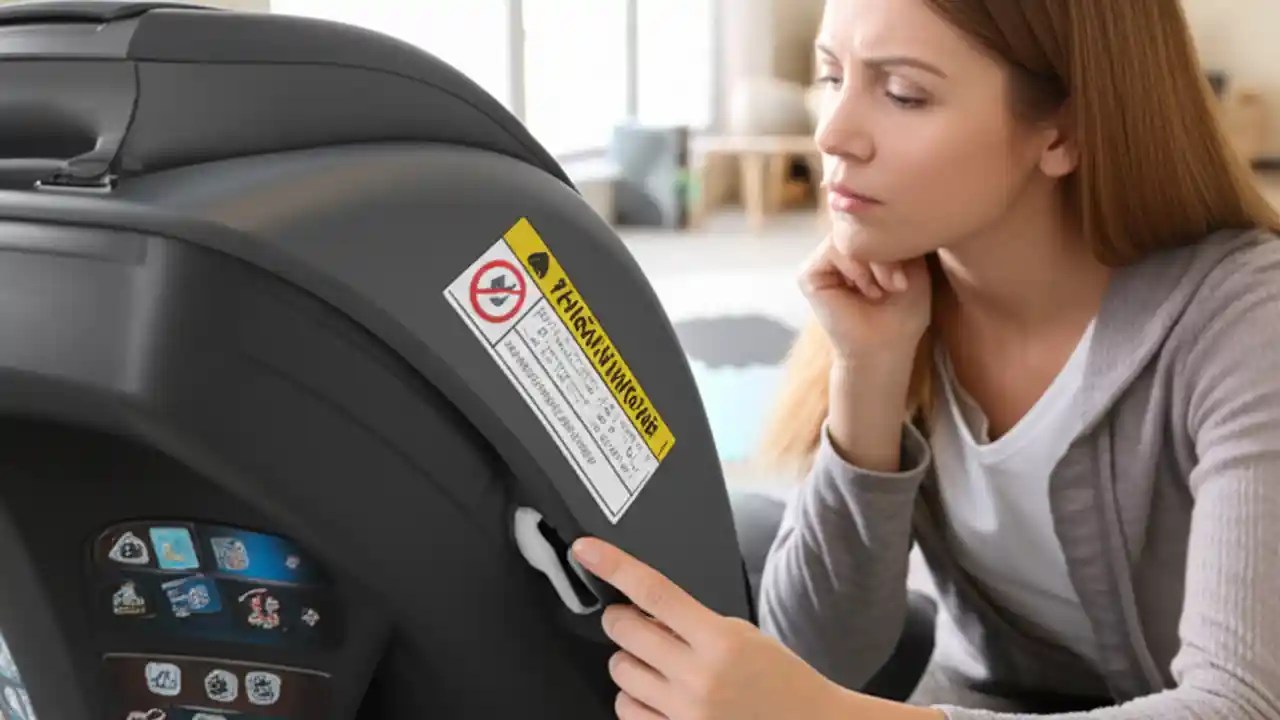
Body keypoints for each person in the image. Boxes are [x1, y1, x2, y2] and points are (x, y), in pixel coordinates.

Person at [569, 0, 1280, 718]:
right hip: (977, 702)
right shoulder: (903, 295)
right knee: (741, 533)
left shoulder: (1248, 320)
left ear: (1064, 131)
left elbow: (1241, 708)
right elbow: (815, 660)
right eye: (830, 75)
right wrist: (868, 374)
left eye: (903, 93)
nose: (832, 133)